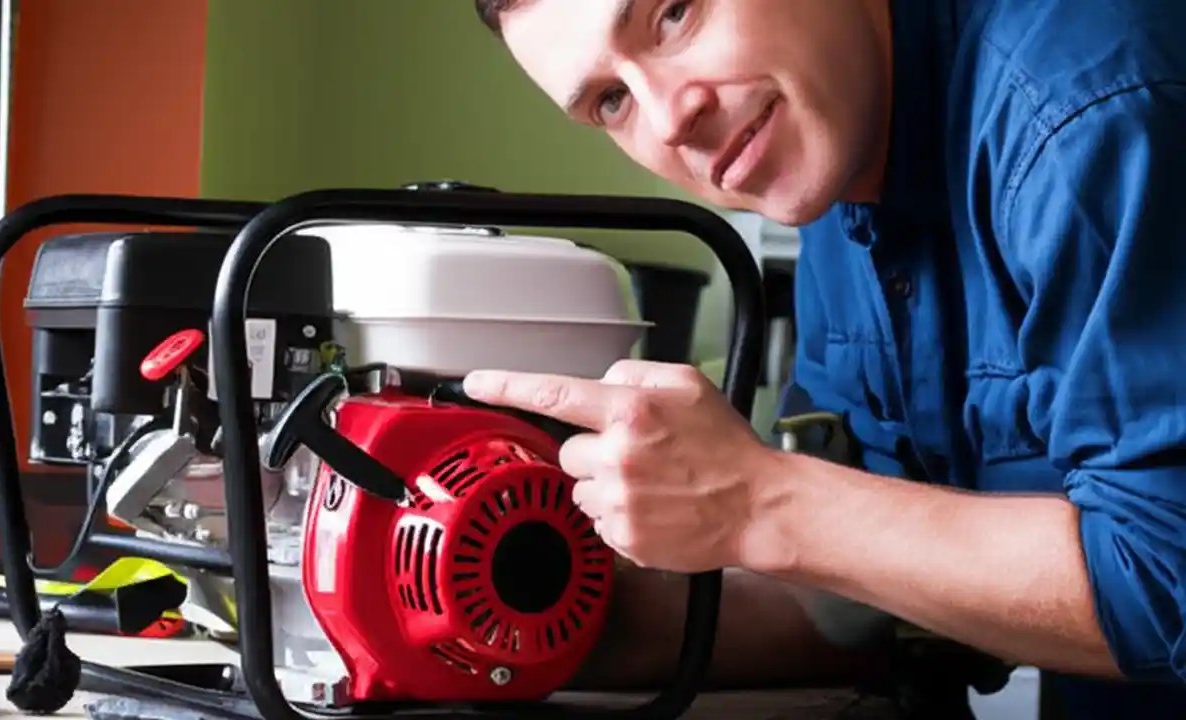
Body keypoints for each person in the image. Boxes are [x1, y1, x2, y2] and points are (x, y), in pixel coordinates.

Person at [461, 1, 1186, 718]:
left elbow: (1167, 577)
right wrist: (529, 619)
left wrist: (761, 501)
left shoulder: (1086, 117)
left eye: (674, 14)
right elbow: (857, 590)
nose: (668, 119)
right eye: (612, 100)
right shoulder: (832, 175)